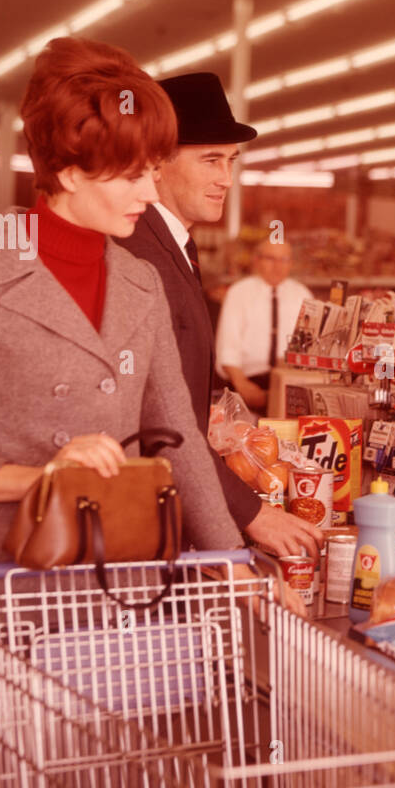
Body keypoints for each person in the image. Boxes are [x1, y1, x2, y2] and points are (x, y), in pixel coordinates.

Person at [0, 37, 246, 788]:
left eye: (155, 168)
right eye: (134, 173)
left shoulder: (142, 283)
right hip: (1, 587)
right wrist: (36, 476)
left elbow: (178, 433)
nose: (152, 191)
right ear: (72, 172)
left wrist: (232, 566)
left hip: (112, 589)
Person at [117, 71, 320, 558]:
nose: (226, 179)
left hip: (172, 496)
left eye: (231, 161)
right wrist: (249, 515)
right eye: (210, 160)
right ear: (157, 163)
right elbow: (158, 422)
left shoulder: (174, 245)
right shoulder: (140, 254)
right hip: (143, 514)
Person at [215, 239, 312, 411]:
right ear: (256, 260)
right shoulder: (239, 293)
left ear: (292, 263)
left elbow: (310, 347)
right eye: (270, 259)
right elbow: (227, 347)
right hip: (246, 381)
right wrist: (243, 385)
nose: (278, 266)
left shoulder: (302, 294)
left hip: (290, 383)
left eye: (284, 259)